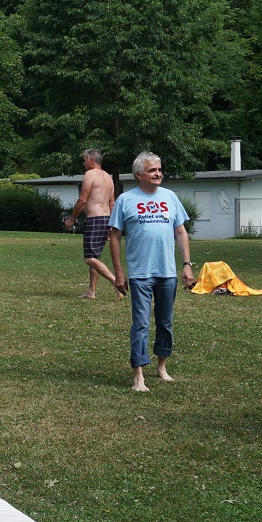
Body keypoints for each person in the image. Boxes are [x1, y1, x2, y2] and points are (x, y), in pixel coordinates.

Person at [108, 152, 194, 390]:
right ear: (139, 175)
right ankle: (138, 375)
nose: (158, 173)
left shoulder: (170, 197)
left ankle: (162, 366)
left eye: (159, 169)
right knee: (141, 322)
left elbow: (180, 232)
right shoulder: (126, 200)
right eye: (152, 170)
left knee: (165, 321)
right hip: (140, 273)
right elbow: (114, 237)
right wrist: (119, 272)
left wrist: (186, 264)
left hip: (167, 272)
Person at [63, 148, 118, 299]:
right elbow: (112, 202)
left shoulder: (90, 174)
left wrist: (71, 219)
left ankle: (117, 283)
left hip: (95, 220)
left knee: (89, 259)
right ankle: (91, 291)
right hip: (107, 219)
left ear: (91, 160)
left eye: (85, 159)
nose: (83, 162)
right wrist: (112, 224)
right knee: (95, 256)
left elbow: (82, 200)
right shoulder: (108, 177)